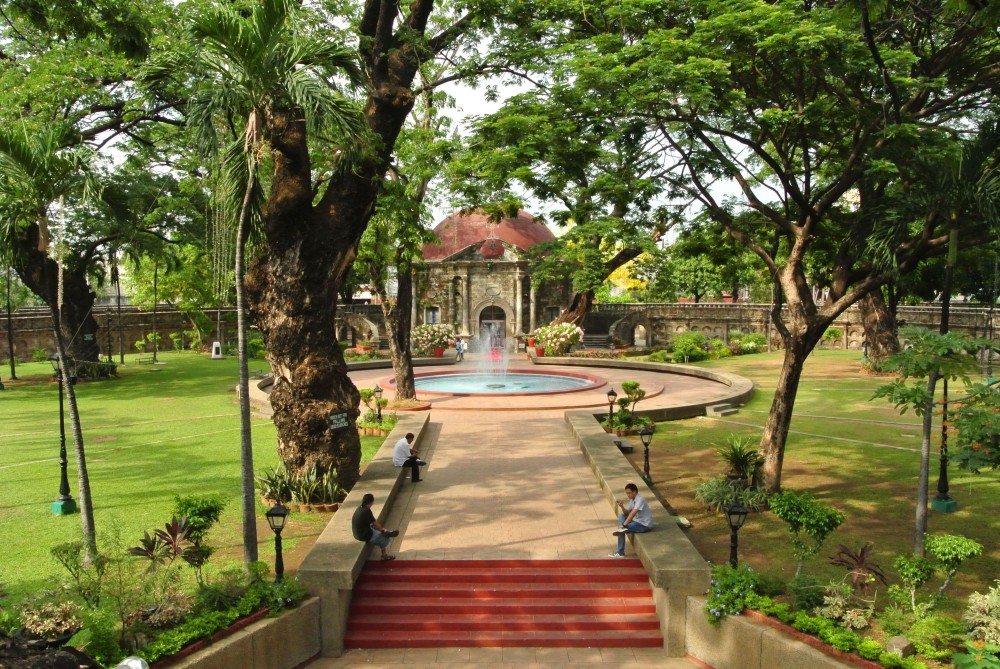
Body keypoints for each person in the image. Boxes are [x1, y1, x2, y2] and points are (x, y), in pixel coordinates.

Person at [609, 482, 653, 557]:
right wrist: (622, 507)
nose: (628, 495)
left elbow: (632, 514)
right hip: (636, 522)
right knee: (622, 516)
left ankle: (620, 552)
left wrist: (623, 525)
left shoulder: (640, 499)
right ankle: (621, 529)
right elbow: (627, 513)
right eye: (627, 493)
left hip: (644, 525)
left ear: (634, 491)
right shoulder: (632, 500)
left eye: (629, 493)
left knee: (622, 529)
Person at [351, 493, 400, 561]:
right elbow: (376, 523)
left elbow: (371, 522)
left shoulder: (360, 508)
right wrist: (382, 530)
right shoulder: (367, 511)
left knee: (373, 526)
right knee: (384, 539)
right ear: (371, 502)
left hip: (356, 533)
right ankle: (384, 556)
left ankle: (386, 532)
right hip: (363, 535)